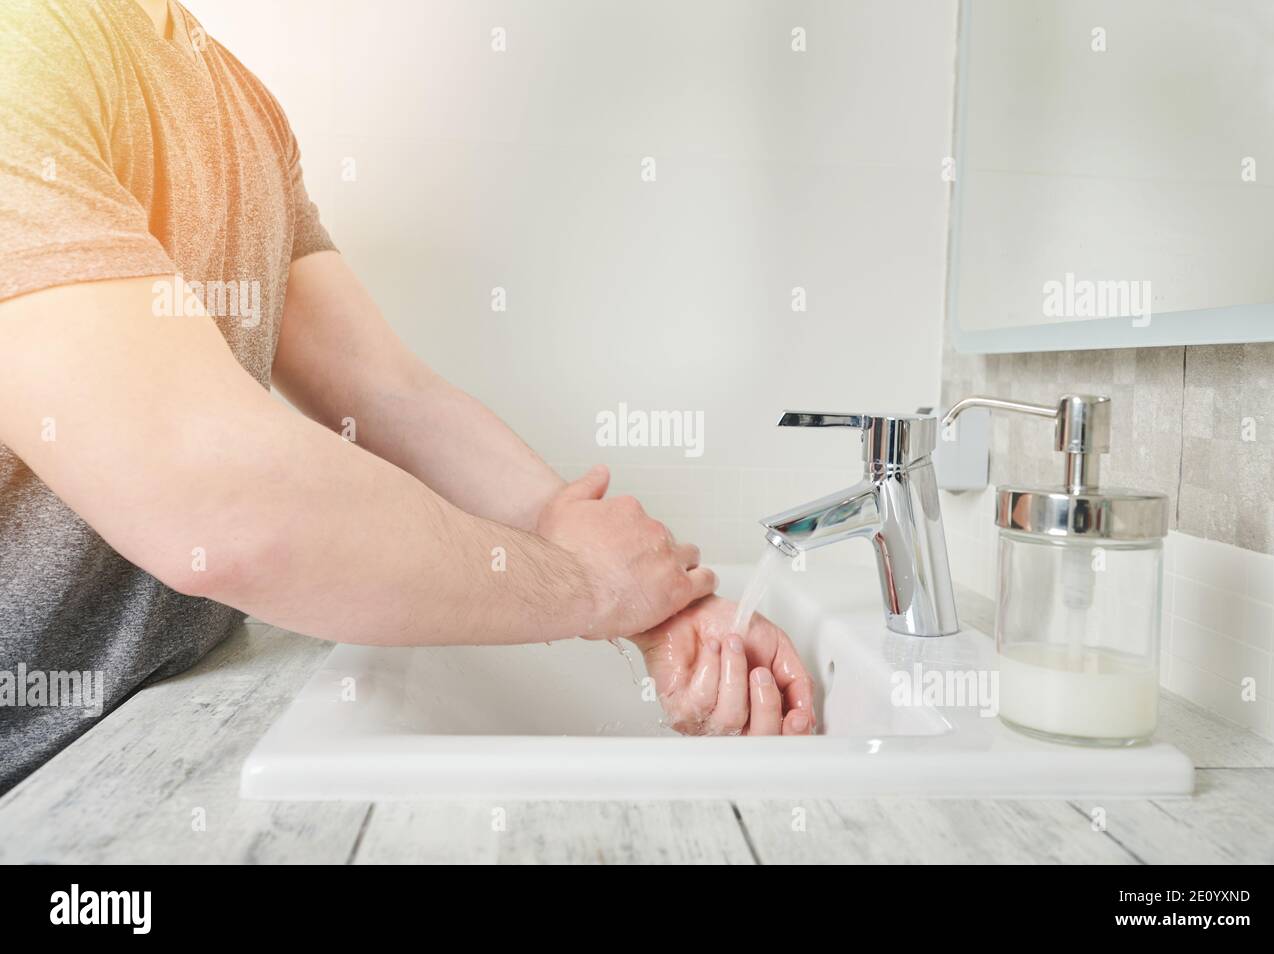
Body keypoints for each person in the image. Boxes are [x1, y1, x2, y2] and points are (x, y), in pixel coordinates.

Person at [0, 0, 814, 793]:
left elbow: (390, 395)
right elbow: (213, 499)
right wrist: (593, 587)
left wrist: (655, 601)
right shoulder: (25, 45)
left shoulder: (234, 97)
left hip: (153, 732)